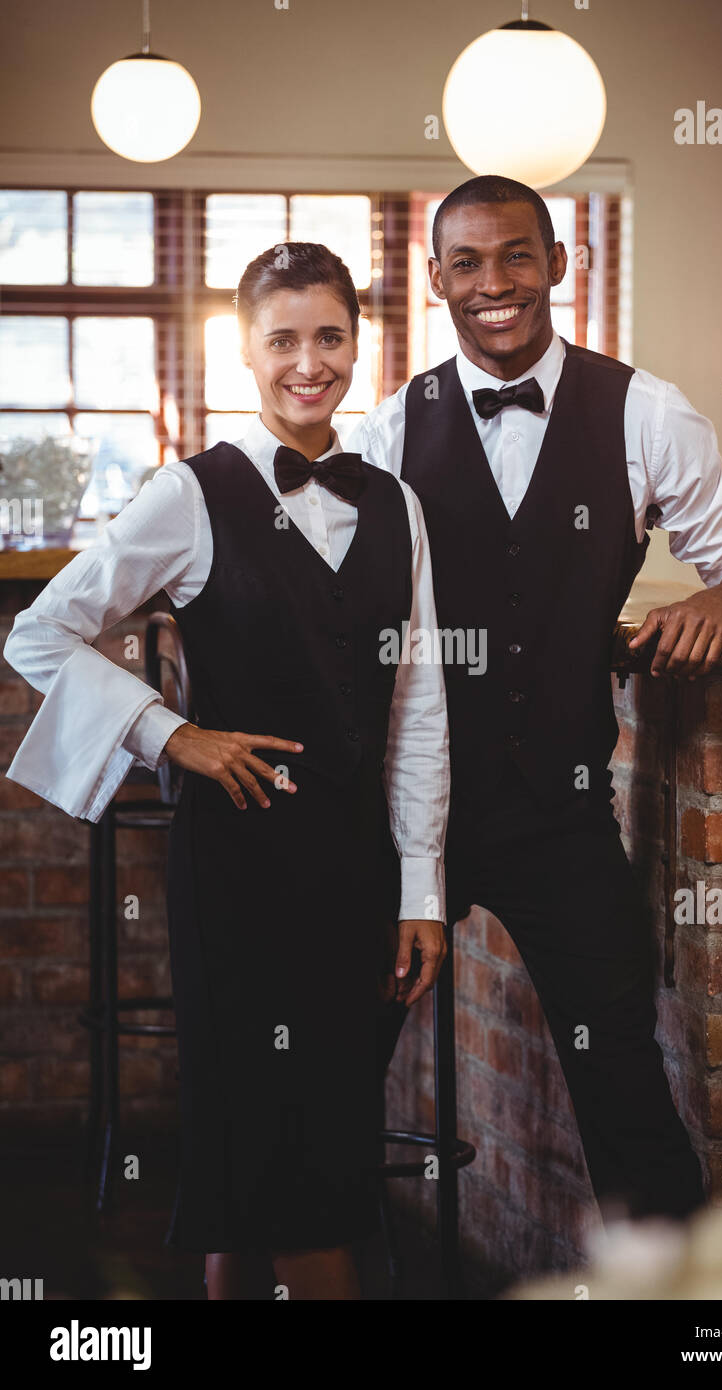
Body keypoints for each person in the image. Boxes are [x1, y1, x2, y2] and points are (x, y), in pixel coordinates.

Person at [4, 242, 450, 1300]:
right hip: (240, 873)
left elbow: (419, 711)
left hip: (353, 872)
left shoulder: (399, 508)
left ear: (360, 342)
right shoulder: (190, 493)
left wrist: (420, 891)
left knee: (278, 1148)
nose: (309, 361)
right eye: (282, 339)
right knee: (290, 1160)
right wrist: (170, 733)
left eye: (329, 336)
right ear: (243, 353)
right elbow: (39, 633)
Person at [349, 175, 722, 1227]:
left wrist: (713, 598)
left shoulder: (645, 410)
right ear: (436, 281)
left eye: (515, 256)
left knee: (627, 1092)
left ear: (557, 263)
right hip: (411, 813)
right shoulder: (387, 432)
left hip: (561, 813)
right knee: (331, 1063)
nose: (492, 283)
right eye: (465, 262)